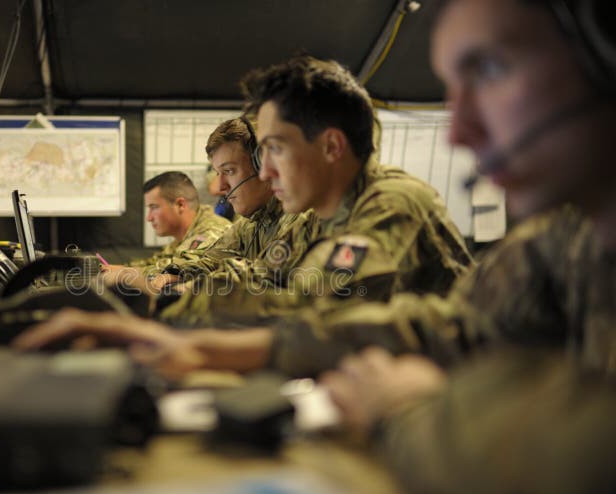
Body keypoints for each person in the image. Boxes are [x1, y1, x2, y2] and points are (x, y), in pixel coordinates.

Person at [318, 0, 616, 494]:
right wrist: (267, 346)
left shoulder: (391, 199)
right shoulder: (571, 231)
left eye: (492, 69)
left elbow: (591, 474)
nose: (458, 133)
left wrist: (414, 413)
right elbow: (461, 326)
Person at [156, 55, 473, 326]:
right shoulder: (317, 218)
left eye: (276, 149)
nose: (265, 172)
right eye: (261, 155)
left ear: (331, 146)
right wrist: (169, 302)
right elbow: (260, 280)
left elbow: (314, 314)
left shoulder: (392, 202)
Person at [149, 117, 318, 290]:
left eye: (229, 171)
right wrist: (176, 274)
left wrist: (190, 288)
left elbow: (263, 280)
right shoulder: (249, 225)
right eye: (218, 173)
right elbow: (211, 261)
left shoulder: (299, 218)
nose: (221, 186)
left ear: (263, 164)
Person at [99, 171, 230, 286]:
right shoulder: (184, 237)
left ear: (180, 205)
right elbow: (158, 262)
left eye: (154, 207)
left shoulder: (212, 231)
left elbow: (183, 267)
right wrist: (122, 268)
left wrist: (125, 272)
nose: (149, 218)